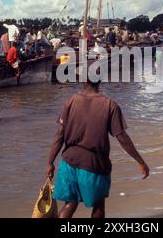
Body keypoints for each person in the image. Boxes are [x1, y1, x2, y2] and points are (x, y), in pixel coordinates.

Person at [46, 76, 149, 218]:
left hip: (68, 163)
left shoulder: (70, 102)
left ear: (84, 81)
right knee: (98, 205)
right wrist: (141, 162)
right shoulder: (110, 105)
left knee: (70, 203)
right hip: (94, 165)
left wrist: (50, 162)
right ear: (99, 81)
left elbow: (59, 135)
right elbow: (122, 137)